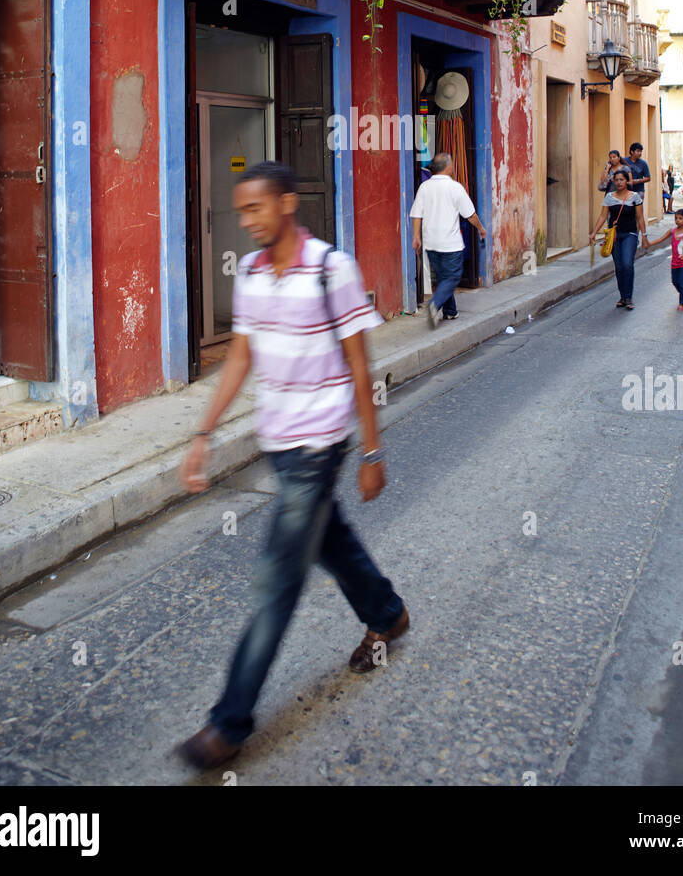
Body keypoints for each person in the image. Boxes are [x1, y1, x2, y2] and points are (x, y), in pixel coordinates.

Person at [176, 161, 408, 771]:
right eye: (241, 211)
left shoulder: (332, 269)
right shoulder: (252, 273)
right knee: (330, 541)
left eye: (255, 208)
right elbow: (240, 358)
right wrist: (203, 434)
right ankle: (387, 614)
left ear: (285, 203)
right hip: (278, 443)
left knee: (277, 580)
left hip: (319, 444)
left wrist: (372, 451)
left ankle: (228, 724)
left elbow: (360, 365)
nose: (247, 220)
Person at [410, 151, 487, 327]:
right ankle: (435, 304)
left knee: (444, 278)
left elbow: (416, 214)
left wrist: (416, 236)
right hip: (450, 244)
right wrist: (481, 228)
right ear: (448, 167)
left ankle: (450, 311)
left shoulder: (424, 187)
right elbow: (470, 214)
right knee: (452, 278)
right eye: (451, 163)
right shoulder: (455, 187)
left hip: (431, 243)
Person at [587, 167, 648, 310]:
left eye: (622, 179)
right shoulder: (609, 197)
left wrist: (644, 236)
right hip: (613, 236)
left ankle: (628, 297)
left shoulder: (634, 197)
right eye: (617, 180)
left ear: (627, 181)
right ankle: (623, 296)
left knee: (627, 264)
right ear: (613, 182)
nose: (619, 182)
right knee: (619, 267)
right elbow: (603, 216)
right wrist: (594, 233)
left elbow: (640, 217)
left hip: (630, 234)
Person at [648, 206, 683, 311]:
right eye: (676, 218)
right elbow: (661, 239)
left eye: (680, 218)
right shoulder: (672, 231)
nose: (677, 220)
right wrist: (649, 244)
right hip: (674, 262)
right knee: (675, 282)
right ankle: (682, 292)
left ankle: (682, 303)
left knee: (682, 282)